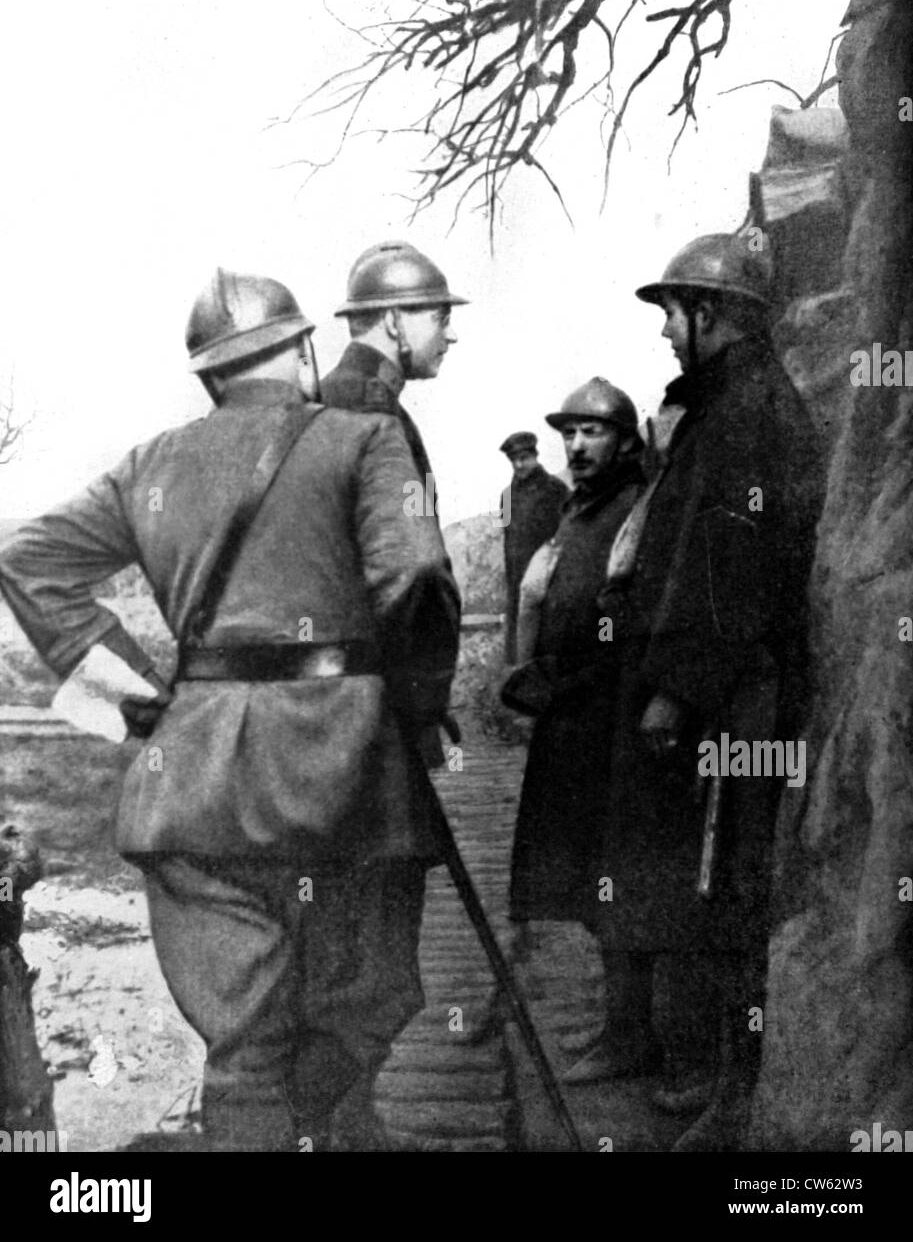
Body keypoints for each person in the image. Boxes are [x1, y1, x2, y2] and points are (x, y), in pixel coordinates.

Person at [0, 268, 460, 1152]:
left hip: (191, 789)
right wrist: (409, 704)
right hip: (347, 780)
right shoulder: (365, 440)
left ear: (211, 374)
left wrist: (148, 701)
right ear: (303, 348)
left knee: (243, 1047)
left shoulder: (149, 465)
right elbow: (414, 576)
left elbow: (28, 565)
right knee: (361, 1003)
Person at [591, 233, 824, 1149]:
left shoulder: (746, 413)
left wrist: (678, 691)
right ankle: (723, 1080)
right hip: (730, 689)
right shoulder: (726, 408)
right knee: (716, 885)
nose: (665, 334)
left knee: (734, 890)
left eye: (673, 314)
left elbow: (731, 568)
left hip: (743, 699)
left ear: (714, 314)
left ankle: (738, 1097)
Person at [318, 240, 466, 1147]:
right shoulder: (374, 415)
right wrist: (417, 699)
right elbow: (415, 575)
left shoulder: (319, 404)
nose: (449, 334)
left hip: (316, 726)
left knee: (331, 938)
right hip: (371, 729)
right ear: (390, 322)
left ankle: (338, 1118)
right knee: (375, 954)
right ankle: (343, 1124)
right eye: (438, 316)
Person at [505, 377, 645, 1050]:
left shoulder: (637, 505)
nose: (577, 446)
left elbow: (630, 616)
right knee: (586, 878)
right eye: (570, 434)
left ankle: (630, 1034)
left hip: (615, 719)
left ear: (624, 440)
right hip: (571, 717)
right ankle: (619, 1028)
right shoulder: (577, 509)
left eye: (592, 433)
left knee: (616, 874)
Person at [498, 432, 567, 664]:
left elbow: (564, 537)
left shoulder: (556, 490)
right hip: (517, 583)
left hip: (547, 581)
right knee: (519, 654)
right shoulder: (506, 497)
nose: (519, 465)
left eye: (524, 458)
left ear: (535, 456)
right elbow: (508, 539)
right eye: (514, 460)